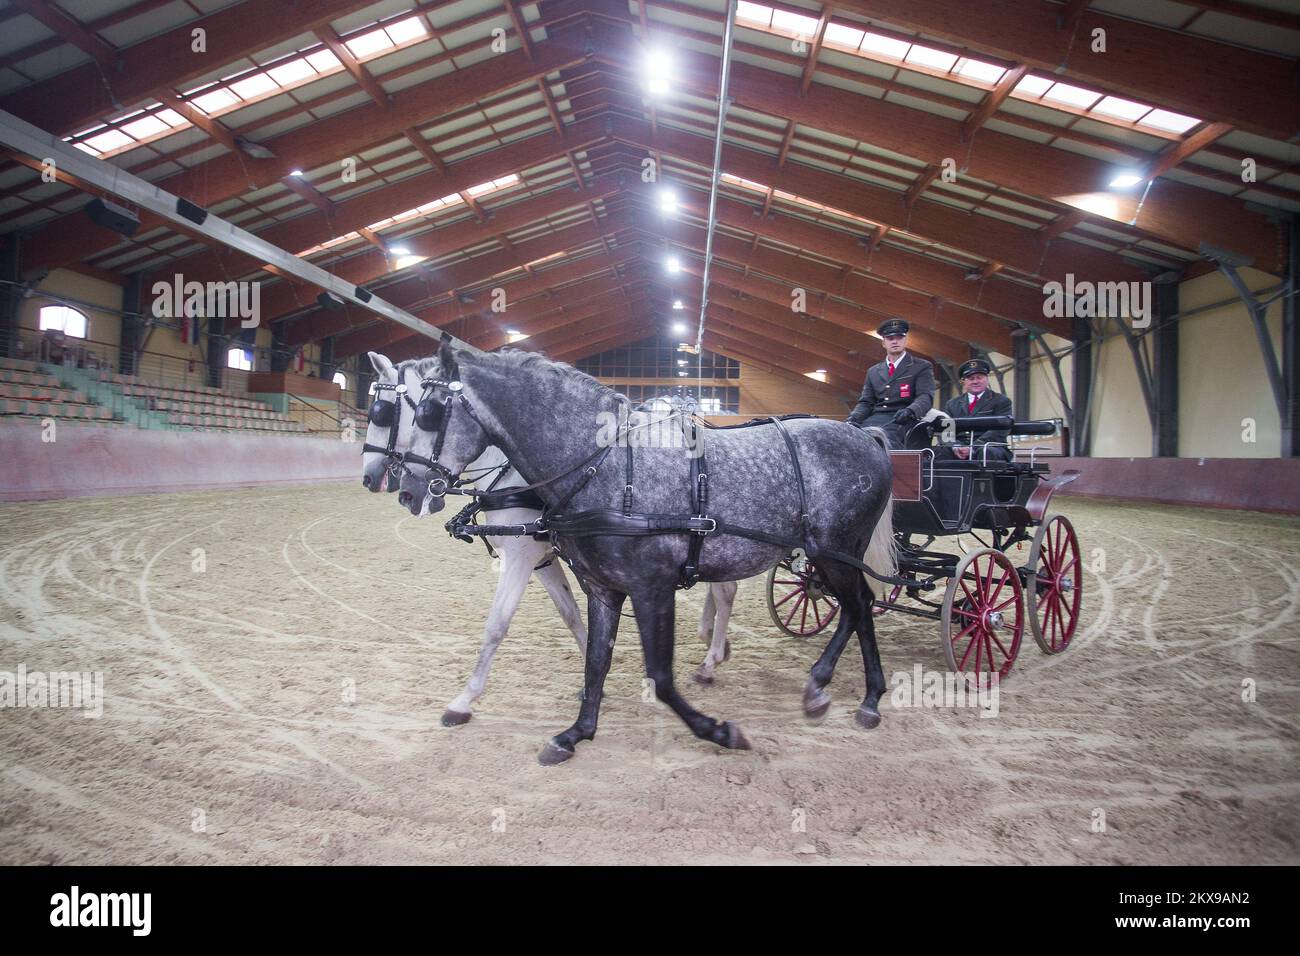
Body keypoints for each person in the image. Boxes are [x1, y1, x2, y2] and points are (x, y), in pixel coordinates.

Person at [846, 317, 935, 448]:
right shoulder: (873, 371)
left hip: (904, 419)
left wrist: (911, 411)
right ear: (884, 343)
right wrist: (853, 418)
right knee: (851, 438)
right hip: (875, 418)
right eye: (890, 338)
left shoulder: (921, 366)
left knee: (885, 440)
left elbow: (925, 396)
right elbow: (866, 402)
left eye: (899, 337)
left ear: (905, 340)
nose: (895, 341)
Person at [935, 357, 1014, 461]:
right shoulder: (952, 404)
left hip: (989, 446)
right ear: (963, 381)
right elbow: (945, 430)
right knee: (936, 452)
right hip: (959, 448)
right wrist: (955, 447)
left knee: (986, 452)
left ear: (987, 379)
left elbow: (998, 431)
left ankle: (984, 478)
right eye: (971, 378)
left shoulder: (1001, 401)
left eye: (979, 377)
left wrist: (973, 447)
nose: (975, 381)